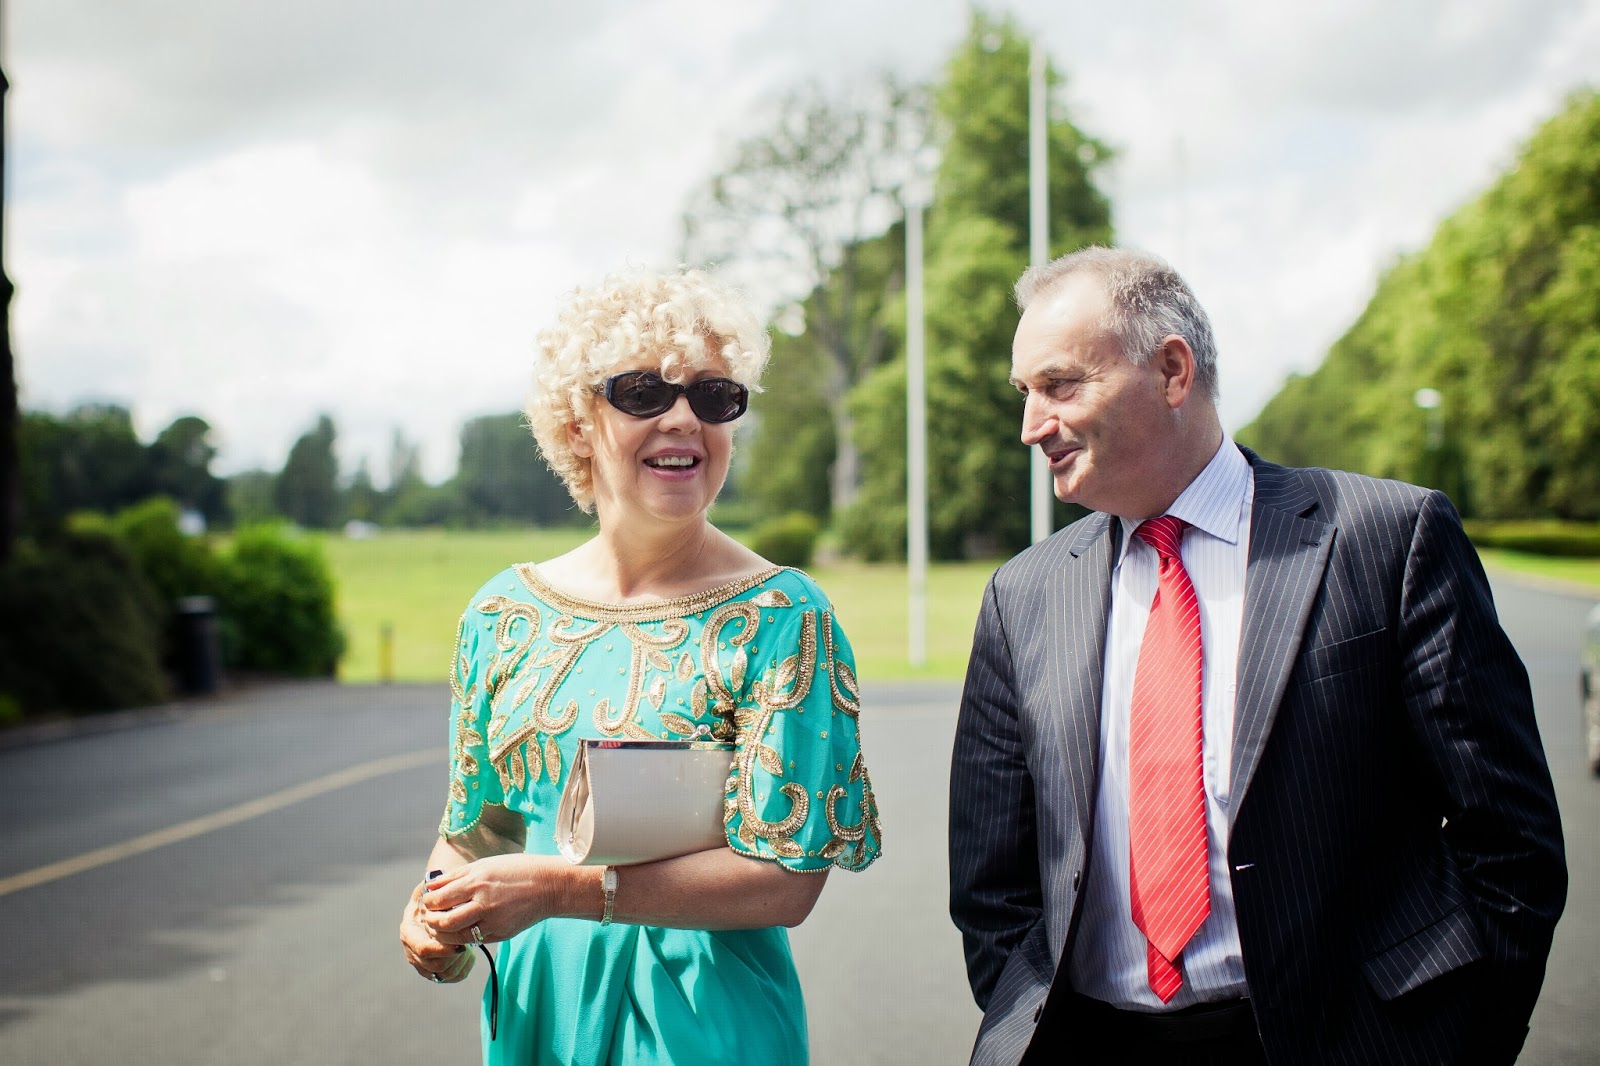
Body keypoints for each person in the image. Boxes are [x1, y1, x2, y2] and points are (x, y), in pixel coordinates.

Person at [948, 246, 1566, 1066]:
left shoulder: (1386, 539)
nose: (1032, 426)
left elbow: (1510, 841)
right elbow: (992, 886)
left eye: (1059, 385)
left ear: (1172, 372)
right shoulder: (1022, 596)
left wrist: (1452, 1044)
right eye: (1024, 393)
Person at [399, 268, 882, 1065]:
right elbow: (479, 830)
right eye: (643, 392)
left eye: (715, 396)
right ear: (577, 423)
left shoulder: (783, 616)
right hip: (539, 1012)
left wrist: (557, 890)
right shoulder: (502, 615)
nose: (684, 417)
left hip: (706, 1021)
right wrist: (435, 921)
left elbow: (786, 879)